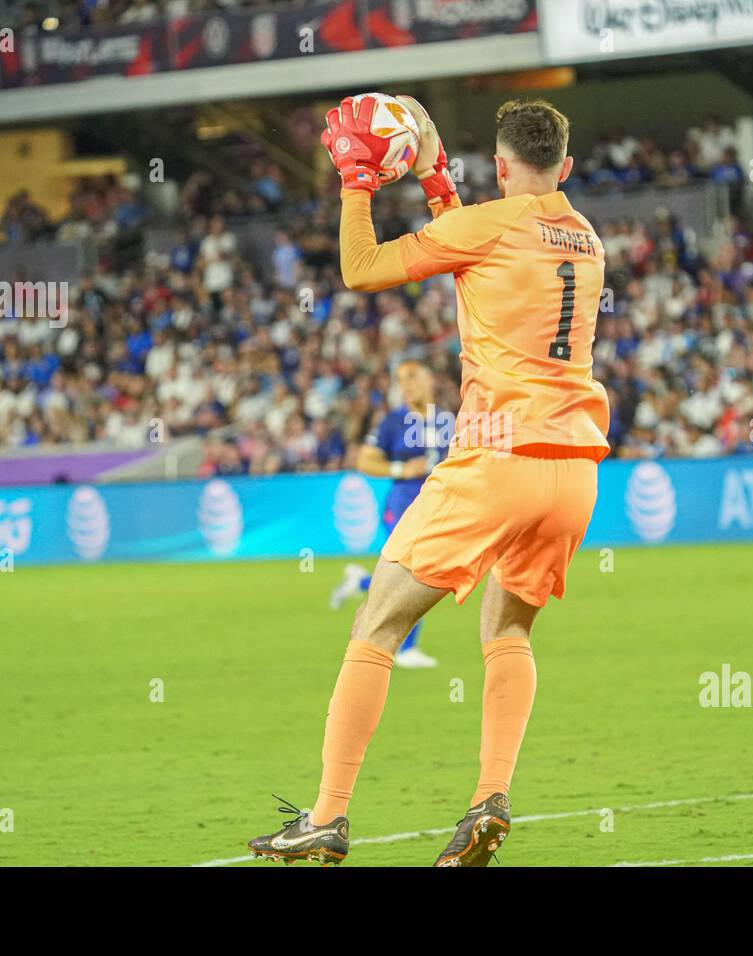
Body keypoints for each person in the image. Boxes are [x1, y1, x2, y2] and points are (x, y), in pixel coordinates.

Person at [248, 95, 609, 866]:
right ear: (566, 168)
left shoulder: (486, 226)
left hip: (495, 456)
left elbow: (361, 268)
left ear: (502, 166)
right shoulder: (584, 236)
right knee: (507, 631)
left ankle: (328, 816)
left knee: (375, 624)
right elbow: (482, 275)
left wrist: (356, 182)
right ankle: (489, 799)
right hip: (575, 466)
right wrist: (439, 186)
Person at [329, 359, 446, 669]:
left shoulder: (447, 420)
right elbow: (366, 461)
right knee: (415, 573)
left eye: (413, 378)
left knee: (422, 574)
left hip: (435, 508)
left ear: (430, 380)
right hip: (402, 506)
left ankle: (361, 582)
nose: (407, 386)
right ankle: (406, 648)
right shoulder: (393, 421)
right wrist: (400, 468)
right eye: (401, 381)